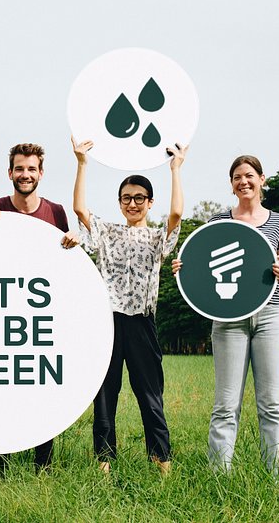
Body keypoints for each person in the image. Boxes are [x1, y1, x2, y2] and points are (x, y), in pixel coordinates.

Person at [174, 155, 279, 478]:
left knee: (272, 403)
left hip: (271, 315)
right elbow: (200, 263)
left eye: (249, 175)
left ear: (261, 179)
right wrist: (183, 269)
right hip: (228, 319)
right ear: (231, 185)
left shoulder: (277, 222)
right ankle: (220, 476)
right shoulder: (219, 221)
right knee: (225, 405)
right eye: (237, 177)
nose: (243, 181)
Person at [73, 137, 187, 475]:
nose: (133, 203)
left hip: (142, 323)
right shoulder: (107, 232)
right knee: (105, 398)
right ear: (120, 203)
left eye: (139, 198)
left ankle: (161, 461)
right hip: (108, 323)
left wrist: (175, 169)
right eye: (127, 198)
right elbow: (80, 209)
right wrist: (82, 163)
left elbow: (178, 212)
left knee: (150, 396)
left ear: (150, 203)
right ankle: (104, 464)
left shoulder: (157, 239)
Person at [0, 142, 78, 473]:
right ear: (10, 173)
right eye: (19, 168)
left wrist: (74, 241)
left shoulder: (57, 212)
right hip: (2, 312)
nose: (25, 174)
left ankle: (44, 461)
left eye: (31, 169)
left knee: (40, 386)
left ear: (41, 173)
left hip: (41, 313)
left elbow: (69, 262)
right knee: (1, 387)